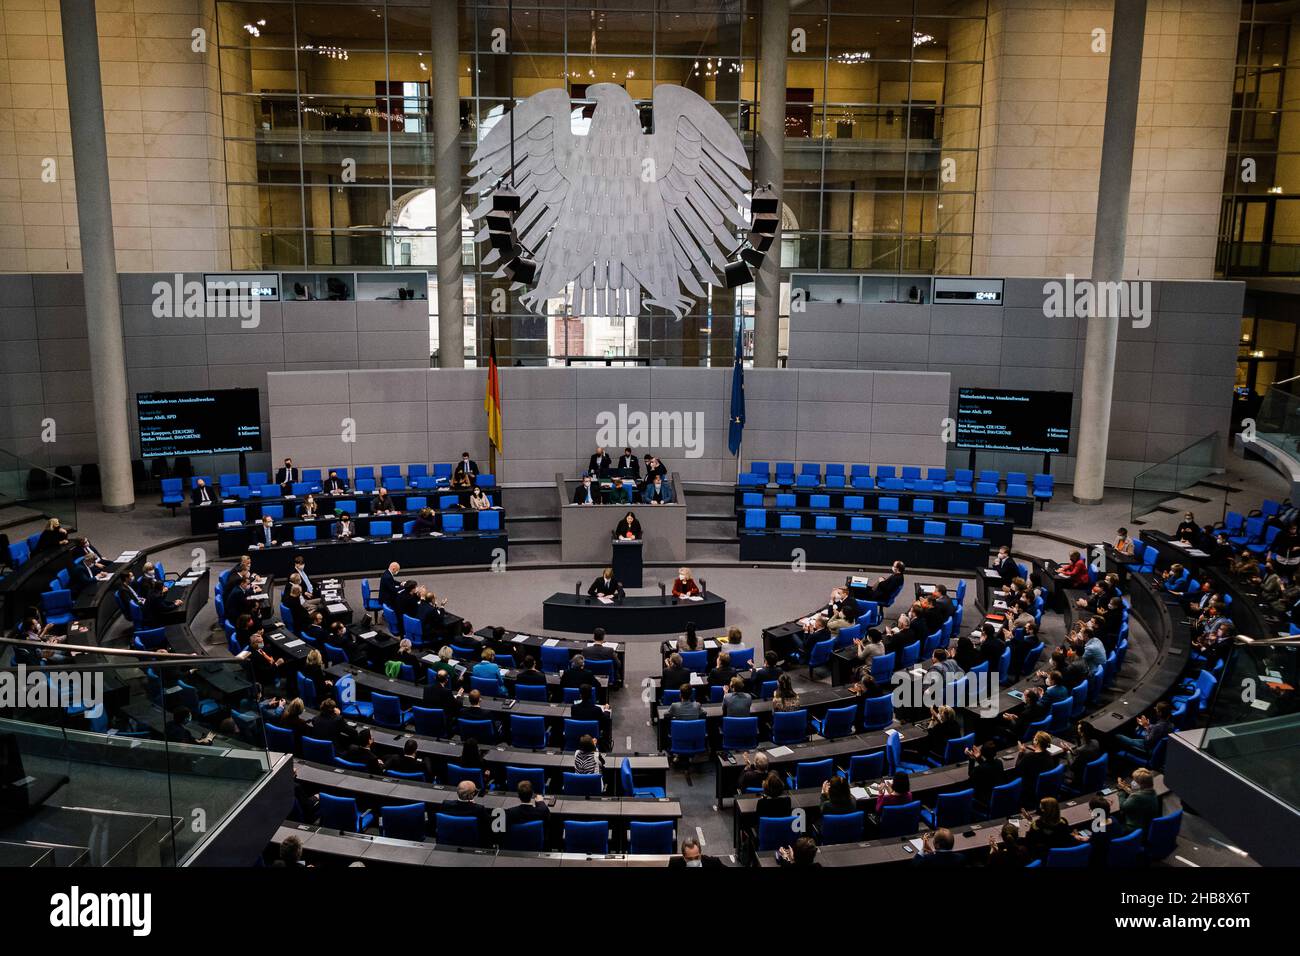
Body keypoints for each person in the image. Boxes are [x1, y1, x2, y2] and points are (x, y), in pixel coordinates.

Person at [1014, 731, 1059, 807]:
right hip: (1045, 789)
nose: (1033, 740)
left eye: (1034, 738)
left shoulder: (1029, 757)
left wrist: (1021, 752)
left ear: (1037, 742)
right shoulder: (1049, 755)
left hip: (1030, 790)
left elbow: (1017, 770)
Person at [1116, 768, 1161, 833]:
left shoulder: (1137, 797)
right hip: (1147, 824)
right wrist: (1125, 788)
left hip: (1134, 828)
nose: (1133, 782)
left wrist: (1121, 792)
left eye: (1135, 780)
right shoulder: (1152, 791)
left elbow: (1123, 806)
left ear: (1142, 784)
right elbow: (1139, 794)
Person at [1061, 721, 1101, 790]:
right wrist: (1071, 750)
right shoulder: (1096, 742)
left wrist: (1067, 752)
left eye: (1079, 728)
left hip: (1079, 777)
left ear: (1082, 733)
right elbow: (1083, 755)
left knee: (1060, 767)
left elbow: (1072, 767)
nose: (1077, 729)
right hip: (1091, 773)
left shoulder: (1081, 750)